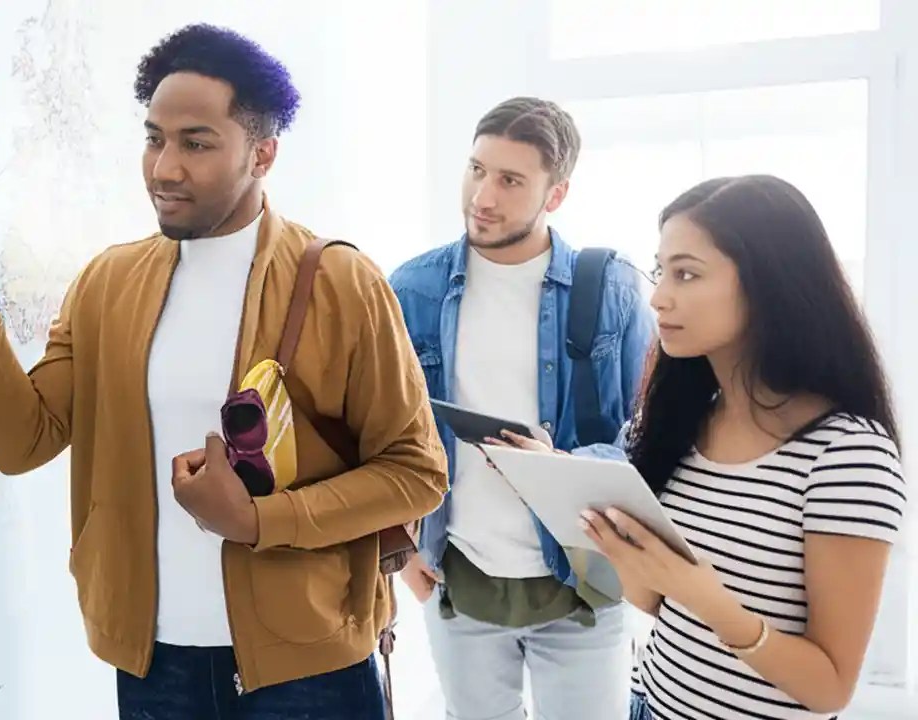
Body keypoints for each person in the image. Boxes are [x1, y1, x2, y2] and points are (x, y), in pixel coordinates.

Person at [0, 23, 447, 720]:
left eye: (196, 143)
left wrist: (256, 520)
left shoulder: (342, 281)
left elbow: (416, 472)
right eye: (155, 138)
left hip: (310, 664)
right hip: (155, 661)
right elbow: (23, 440)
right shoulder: (108, 282)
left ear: (263, 153)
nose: (164, 167)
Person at [566, 174, 906, 719]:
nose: (658, 296)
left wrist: (702, 593)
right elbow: (655, 602)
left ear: (767, 283)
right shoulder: (676, 424)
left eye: (686, 273)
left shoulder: (846, 455)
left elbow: (829, 688)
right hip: (649, 704)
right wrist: (605, 540)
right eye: (661, 271)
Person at [388, 96, 657, 719]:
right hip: (461, 576)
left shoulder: (611, 287)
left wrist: (560, 467)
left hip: (582, 580)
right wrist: (396, 547)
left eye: (510, 180)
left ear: (554, 194)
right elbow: (383, 431)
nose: (483, 195)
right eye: (477, 169)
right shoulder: (411, 288)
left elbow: (649, 433)